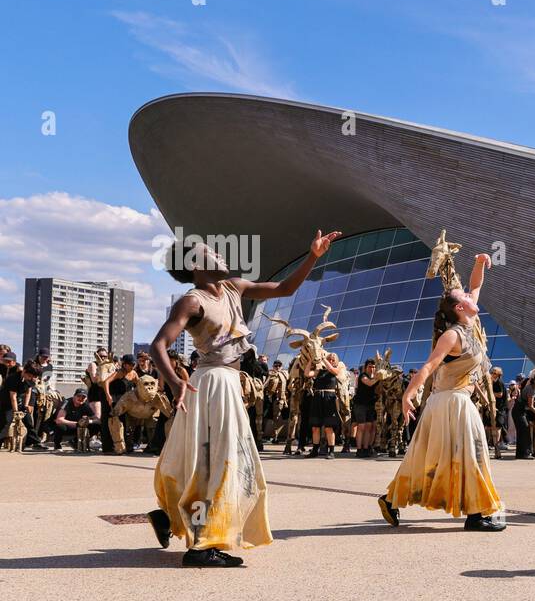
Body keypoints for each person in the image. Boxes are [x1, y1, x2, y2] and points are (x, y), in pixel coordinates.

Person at [148, 229, 341, 566]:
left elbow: (284, 289)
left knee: (211, 459)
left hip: (227, 382)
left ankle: (174, 519)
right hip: (210, 383)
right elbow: (158, 346)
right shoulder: (193, 301)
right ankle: (200, 547)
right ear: (196, 263)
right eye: (212, 252)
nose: (221, 255)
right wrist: (176, 384)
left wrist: (313, 255)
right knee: (213, 461)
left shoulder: (234, 288)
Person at [378, 253, 505, 532]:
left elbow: (476, 286)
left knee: (432, 457)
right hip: (451, 401)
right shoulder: (453, 335)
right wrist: (407, 395)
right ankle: (475, 514)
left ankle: (391, 499)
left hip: (456, 401)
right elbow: (429, 366)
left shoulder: (469, 326)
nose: (474, 297)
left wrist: (480, 263)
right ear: (461, 307)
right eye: (467, 297)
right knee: (469, 453)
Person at [353, 359, 380, 458]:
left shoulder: (375, 378)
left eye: (373, 367)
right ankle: (359, 449)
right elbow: (369, 383)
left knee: (369, 427)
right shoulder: (363, 376)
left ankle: (366, 448)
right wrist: (380, 377)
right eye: (370, 366)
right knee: (361, 427)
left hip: (370, 405)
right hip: (360, 405)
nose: (372, 369)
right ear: (365, 367)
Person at [490, 366, 508, 458]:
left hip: (500, 408)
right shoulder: (494, 382)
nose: (492, 374)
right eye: (492, 372)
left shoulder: (499, 382)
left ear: (498, 375)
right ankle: (496, 448)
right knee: (494, 427)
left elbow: (500, 394)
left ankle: (497, 448)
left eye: (494, 372)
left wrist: (489, 393)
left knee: (498, 427)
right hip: (497, 408)